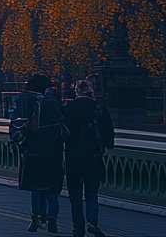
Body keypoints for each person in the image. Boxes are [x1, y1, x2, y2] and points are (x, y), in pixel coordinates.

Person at [14, 74, 65, 233]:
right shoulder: (52, 101)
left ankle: (35, 218)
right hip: (52, 150)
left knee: (36, 186)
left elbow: (16, 124)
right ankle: (52, 220)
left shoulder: (23, 100)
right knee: (52, 187)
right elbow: (61, 125)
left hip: (32, 150)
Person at [62, 80, 114, 237]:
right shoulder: (99, 108)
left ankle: (78, 227)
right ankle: (92, 222)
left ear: (76, 92)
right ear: (91, 92)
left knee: (75, 196)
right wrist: (107, 145)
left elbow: (62, 132)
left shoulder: (68, 109)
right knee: (92, 193)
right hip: (94, 157)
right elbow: (109, 133)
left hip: (73, 157)